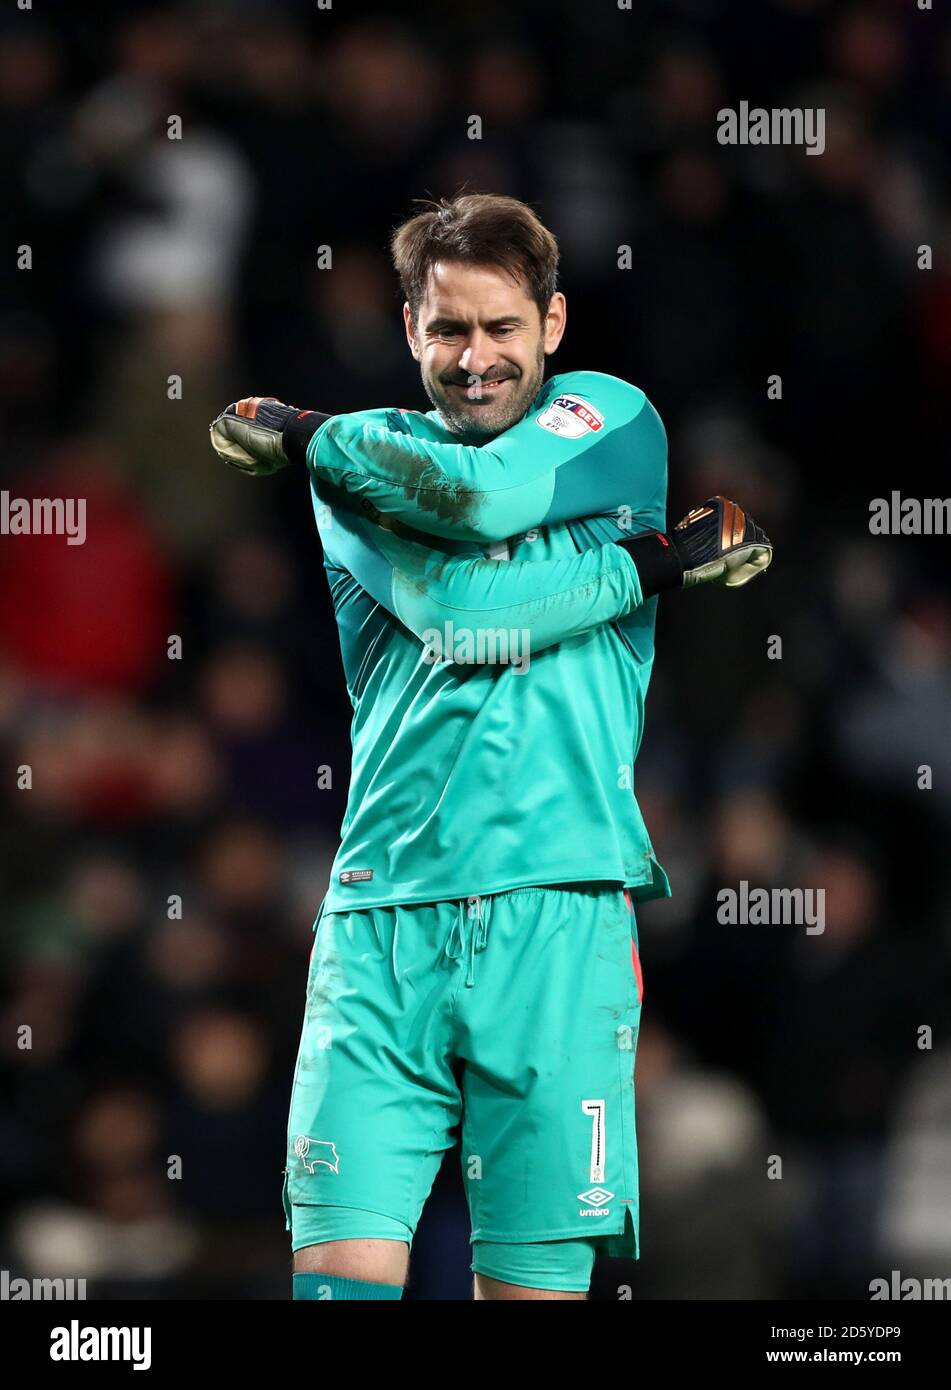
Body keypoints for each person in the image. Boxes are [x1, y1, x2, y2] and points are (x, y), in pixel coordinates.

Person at [209, 193, 772, 1301]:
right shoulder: (363, 458)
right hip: (383, 920)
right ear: (411, 329)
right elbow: (466, 615)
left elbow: (477, 507)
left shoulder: (616, 420)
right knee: (336, 1286)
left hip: (561, 909)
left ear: (552, 323)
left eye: (502, 328)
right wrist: (650, 564)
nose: (477, 359)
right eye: (450, 329)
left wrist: (309, 429)